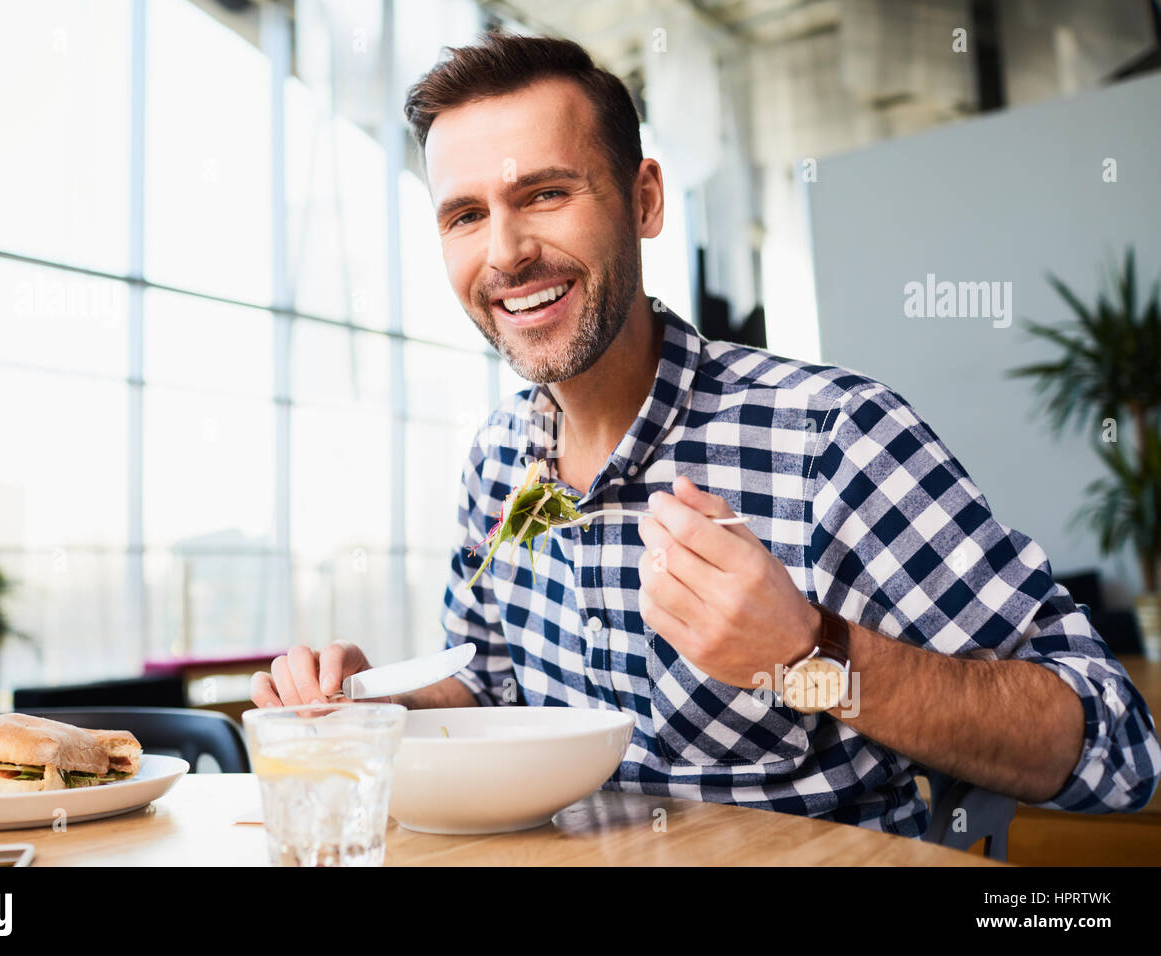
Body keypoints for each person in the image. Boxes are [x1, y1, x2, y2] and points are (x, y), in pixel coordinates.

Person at [251, 31, 1159, 836]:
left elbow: (1114, 745)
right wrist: (370, 703)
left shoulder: (829, 439)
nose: (505, 252)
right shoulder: (497, 462)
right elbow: (494, 687)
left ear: (643, 202)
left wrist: (808, 656)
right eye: (465, 215)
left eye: (547, 193)